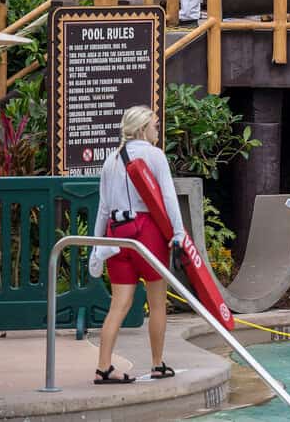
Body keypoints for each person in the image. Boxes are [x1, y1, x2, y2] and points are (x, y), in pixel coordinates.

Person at [88, 106, 186, 384]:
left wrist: (97, 245)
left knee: (119, 304)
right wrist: (178, 234)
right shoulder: (155, 155)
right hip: (147, 234)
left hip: (115, 235)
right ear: (143, 128)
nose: (158, 129)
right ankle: (157, 364)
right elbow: (167, 196)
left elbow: (103, 208)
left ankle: (103, 367)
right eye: (155, 124)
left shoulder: (111, 160)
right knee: (157, 303)